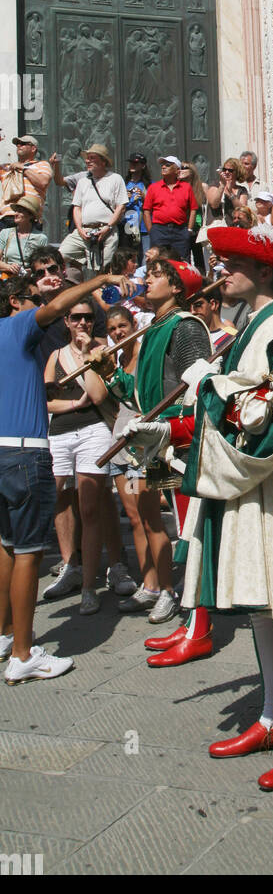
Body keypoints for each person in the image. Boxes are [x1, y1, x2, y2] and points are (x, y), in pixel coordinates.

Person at [121, 221, 273, 788]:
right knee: (265, 605)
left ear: (264, 272)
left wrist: (204, 394)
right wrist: (177, 425)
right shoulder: (255, 324)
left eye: (232, 263)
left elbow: (266, 417)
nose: (221, 271)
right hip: (259, 488)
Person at [1, 265, 131, 684]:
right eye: (29, 302)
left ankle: (5, 635)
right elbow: (56, 306)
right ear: (14, 304)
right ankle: (23, 653)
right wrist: (101, 281)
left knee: (4, 547)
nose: (38, 309)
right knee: (26, 553)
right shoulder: (18, 326)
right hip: (25, 453)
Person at [91, 257, 213, 666]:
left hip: (178, 445)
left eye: (159, 274)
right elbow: (142, 399)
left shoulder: (184, 327)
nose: (149, 278)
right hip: (157, 442)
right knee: (170, 524)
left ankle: (199, 625)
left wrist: (171, 427)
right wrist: (111, 373)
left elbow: (198, 393)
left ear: (178, 287)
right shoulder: (154, 328)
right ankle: (190, 618)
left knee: (188, 532)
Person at [43, 295, 136, 614]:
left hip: (94, 432)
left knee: (92, 505)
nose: (81, 322)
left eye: (87, 317)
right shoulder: (54, 355)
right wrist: (72, 404)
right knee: (59, 496)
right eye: (75, 317)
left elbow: (97, 395)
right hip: (60, 433)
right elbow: (48, 399)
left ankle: (92, 585)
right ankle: (72, 565)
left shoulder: (98, 350)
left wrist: (85, 355)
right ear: (66, 321)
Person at [103, 305, 178, 623]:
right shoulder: (116, 358)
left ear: (133, 324)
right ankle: (149, 585)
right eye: (113, 328)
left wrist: (111, 376)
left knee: (152, 518)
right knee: (136, 517)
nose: (119, 332)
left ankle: (168, 591)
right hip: (123, 446)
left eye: (123, 326)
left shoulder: (145, 351)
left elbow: (138, 399)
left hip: (144, 447)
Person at [59, 145, 127, 270]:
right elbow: (77, 208)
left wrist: (108, 227)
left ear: (103, 161)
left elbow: (121, 207)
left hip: (106, 232)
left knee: (101, 270)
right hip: (83, 231)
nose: (87, 161)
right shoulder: (83, 181)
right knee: (59, 256)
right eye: (87, 158)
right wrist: (79, 229)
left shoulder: (115, 179)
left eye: (92, 158)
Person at [142, 156, 198, 262]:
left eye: (167, 165)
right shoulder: (153, 187)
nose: (163, 167)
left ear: (177, 170)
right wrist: (152, 231)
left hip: (180, 230)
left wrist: (189, 230)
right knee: (157, 261)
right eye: (162, 165)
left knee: (182, 262)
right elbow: (146, 211)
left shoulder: (186, 187)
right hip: (159, 230)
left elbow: (193, 209)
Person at [0, 136, 63, 227]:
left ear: (33, 148)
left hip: (29, 218)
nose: (19, 145)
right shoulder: (7, 168)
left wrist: (23, 168)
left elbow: (43, 182)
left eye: (23, 144)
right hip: (6, 219)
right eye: (17, 144)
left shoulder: (41, 165)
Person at [0, 196, 48, 274]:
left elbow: (44, 264)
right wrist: (9, 267)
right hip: (8, 279)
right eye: (16, 211)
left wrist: (32, 270)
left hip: (29, 280)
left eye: (20, 211)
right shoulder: (5, 233)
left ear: (31, 215)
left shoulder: (41, 238)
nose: (16, 214)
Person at [190, 284, 237, 352]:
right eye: (188, 307)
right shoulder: (187, 334)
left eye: (198, 305)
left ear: (213, 304)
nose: (192, 312)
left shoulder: (232, 336)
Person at [122, 154, 151, 256]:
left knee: (146, 257)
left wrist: (144, 196)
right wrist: (126, 197)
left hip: (143, 227)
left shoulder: (149, 185)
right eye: (130, 163)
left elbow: (155, 205)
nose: (132, 165)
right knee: (129, 257)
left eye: (135, 163)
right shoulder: (123, 184)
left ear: (143, 166)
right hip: (127, 226)